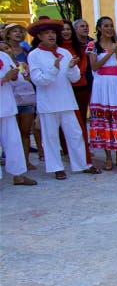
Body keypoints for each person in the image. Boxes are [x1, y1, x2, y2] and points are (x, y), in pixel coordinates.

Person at [27, 18, 102, 179]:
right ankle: (56, 167)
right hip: (48, 103)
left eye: (53, 32)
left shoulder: (65, 52)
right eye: (47, 33)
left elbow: (74, 78)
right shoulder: (34, 55)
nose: (51, 35)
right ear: (39, 36)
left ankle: (82, 164)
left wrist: (71, 67)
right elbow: (39, 80)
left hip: (67, 100)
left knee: (75, 133)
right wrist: (53, 69)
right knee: (51, 136)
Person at [87, 16, 117, 171]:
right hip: (102, 83)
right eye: (106, 25)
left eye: (111, 25)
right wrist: (110, 53)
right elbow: (94, 66)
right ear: (100, 28)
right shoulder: (93, 45)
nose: (109, 28)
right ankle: (108, 157)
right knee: (105, 119)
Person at [1, 40, 41, 168]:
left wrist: (14, 77)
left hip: (14, 104)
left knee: (17, 137)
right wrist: (4, 79)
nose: (5, 51)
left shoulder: (13, 61)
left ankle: (20, 169)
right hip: (6, 104)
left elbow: (19, 81)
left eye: (6, 48)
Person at [59, 20, 92, 165]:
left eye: (68, 29)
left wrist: (75, 72)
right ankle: (66, 150)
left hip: (81, 85)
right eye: (63, 29)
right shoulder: (58, 49)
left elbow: (83, 63)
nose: (66, 32)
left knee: (80, 121)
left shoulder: (77, 47)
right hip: (65, 89)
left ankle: (82, 149)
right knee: (64, 121)